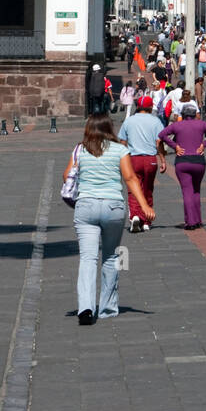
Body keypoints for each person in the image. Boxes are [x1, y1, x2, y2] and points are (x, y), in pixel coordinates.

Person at [64, 112, 154, 324]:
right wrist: (144, 206)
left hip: (86, 206)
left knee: (88, 259)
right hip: (113, 207)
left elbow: (67, 175)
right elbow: (130, 178)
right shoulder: (120, 150)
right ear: (109, 128)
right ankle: (107, 307)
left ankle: (85, 308)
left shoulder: (80, 149)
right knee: (112, 257)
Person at [158, 104, 206, 230]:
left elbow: (162, 135)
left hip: (182, 161)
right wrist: (204, 144)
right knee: (196, 190)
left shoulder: (177, 125)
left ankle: (190, 221)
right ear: (194, 114)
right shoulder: (201, 124)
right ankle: (197, 219)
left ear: (183, 114)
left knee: (187, 191)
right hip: (199, 161)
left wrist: (175, 146)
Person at [118, 94, 163, 233]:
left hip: (133, 159)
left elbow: (122, 142)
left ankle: (135, 216)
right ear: (150, 107)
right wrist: (162, 159)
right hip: (150, 159)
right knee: (148, 189)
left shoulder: (129, 121)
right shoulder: (156, 121)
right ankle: (146, 221)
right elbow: (159, 142)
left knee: (133, 189)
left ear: (138, 107)